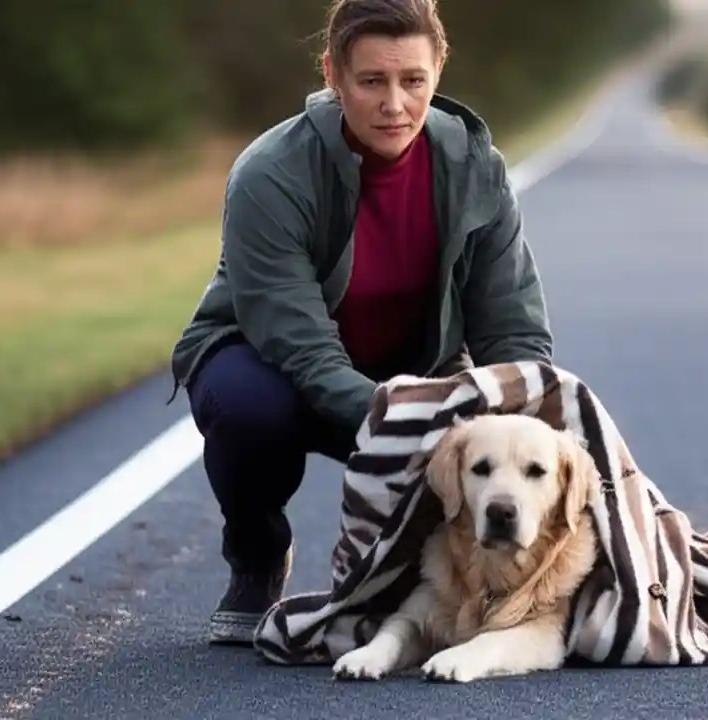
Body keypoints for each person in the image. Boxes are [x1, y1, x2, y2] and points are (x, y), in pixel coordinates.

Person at [168, 0, 554, 645]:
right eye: (372, 81)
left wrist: (524, 426)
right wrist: (411, 427)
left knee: (418, 592)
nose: (394, 105)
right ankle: (257, 558)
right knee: (245, 405)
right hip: (278, 370)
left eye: (413, 81)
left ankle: (451, 564)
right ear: (333, 75)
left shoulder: (475, 167)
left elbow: (512, 329)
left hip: (415, 375)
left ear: (438, 70)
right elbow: (304, 350)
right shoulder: (270, 174)